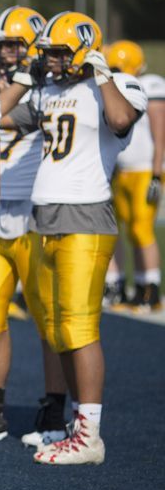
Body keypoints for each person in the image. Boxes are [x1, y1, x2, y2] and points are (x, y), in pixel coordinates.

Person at [0, 12, 146, 465]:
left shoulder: (117, 86)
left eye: (60, 53)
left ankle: (89, 435)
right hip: (44, 222)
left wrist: (100, 73)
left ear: (84, 50)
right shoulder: (49, 90)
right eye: (49, 53)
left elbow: (121, 119)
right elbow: (0, 113)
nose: (53, 61)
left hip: (86, 220)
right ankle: (70, 425)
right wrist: (25, 76)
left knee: (79, 327)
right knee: (58, 326)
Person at [0, 5, 71, 447]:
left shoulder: (52, 88)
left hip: (36, 215)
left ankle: (55, 405)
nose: (6, 53)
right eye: (1, 45)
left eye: (15, 44)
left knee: (50, 321)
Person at [103, 40, 164, 312]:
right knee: (120, 230)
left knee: (141, 229)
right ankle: (129, 286)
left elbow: (159, 133)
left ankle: (151, 288)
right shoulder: (115, 89)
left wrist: (156, 173)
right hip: (122, 172)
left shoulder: (149, 85)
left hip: (143, 172)